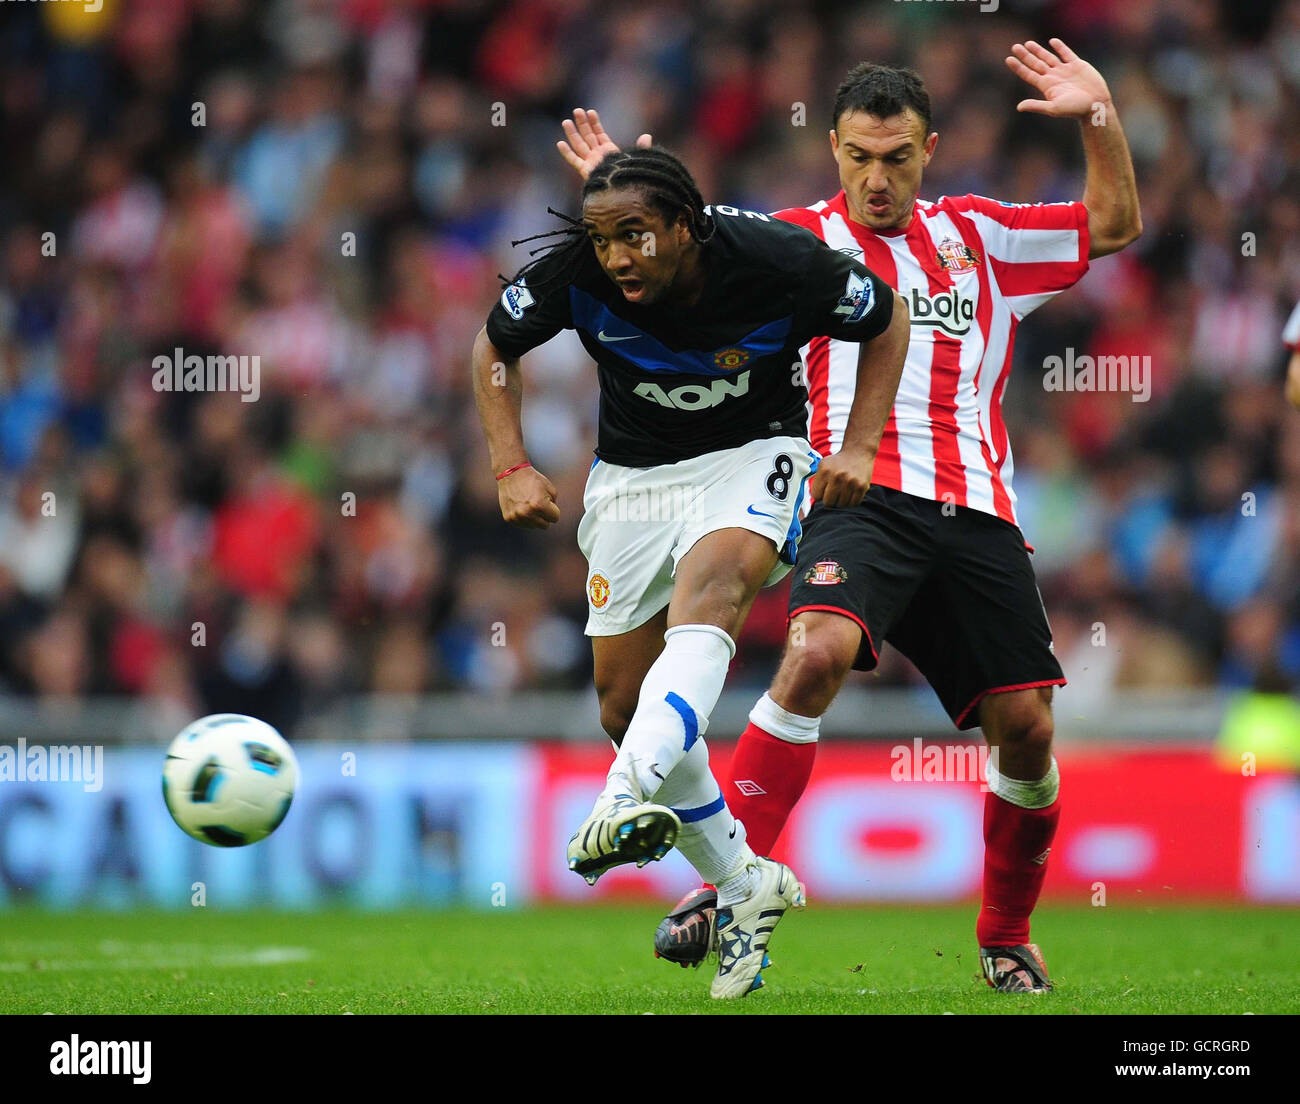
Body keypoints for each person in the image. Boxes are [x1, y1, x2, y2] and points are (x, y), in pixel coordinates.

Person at [557, 37, 1142, 993]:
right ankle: (726, 882)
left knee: (1028, 731)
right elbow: (669, 251)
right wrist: (620, 193)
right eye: (861, 158)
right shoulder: (790, 242)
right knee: (817, 651)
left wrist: (1099, 113)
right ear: (833, 148)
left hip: (975, 507)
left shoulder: (983, 235)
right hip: (850, 490)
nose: (878, 179)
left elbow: (1115, 222)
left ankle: (1005, 930)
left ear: (930, 150)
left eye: (898, 158)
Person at [472, 145, 910, 997]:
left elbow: (885, 319)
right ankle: (747, 885)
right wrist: (509, 463)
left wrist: (857, 444)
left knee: (710, 600)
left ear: (685, 226)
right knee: (621, 703)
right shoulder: (574, 273)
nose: (617, 259)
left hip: (756, 456)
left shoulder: (775, 261)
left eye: (636, 236)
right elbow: (493, 347)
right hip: (632, 482)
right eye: (603, 242)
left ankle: (616, 798)